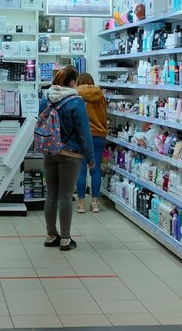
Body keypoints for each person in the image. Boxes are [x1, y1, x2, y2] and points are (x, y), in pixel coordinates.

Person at [39, 66, 94, 251]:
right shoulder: (76, 102)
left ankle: (50, 235)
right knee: (65, 195)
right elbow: (84, 132)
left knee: (51, 194)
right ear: (72, 82)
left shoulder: (46, 98)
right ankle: (65, 239)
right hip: (70, 154)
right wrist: (90, 156)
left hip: (50, 151)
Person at [74, 72, 107, 213]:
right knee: (96, 170)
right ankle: (95, 203)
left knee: (81, 171)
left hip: (82, 136)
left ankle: (81, 204)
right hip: (99, 135)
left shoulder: (76, 95)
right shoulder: (100, 95)